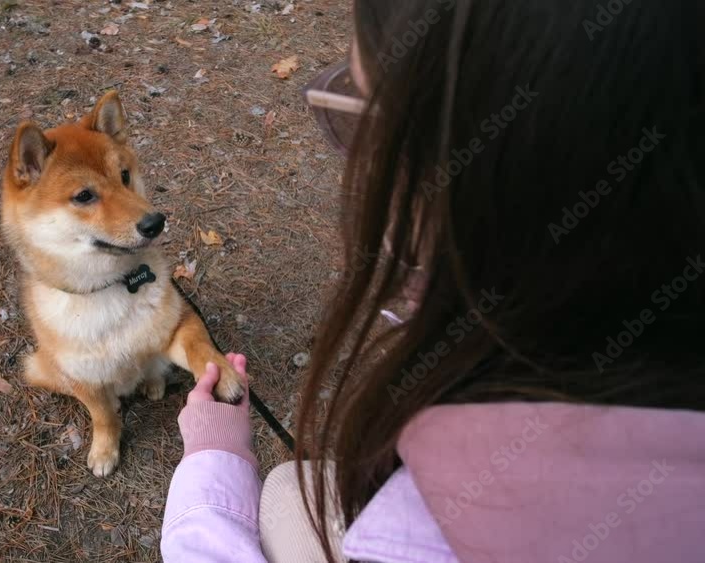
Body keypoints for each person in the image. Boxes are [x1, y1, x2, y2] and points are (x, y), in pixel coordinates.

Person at [161, 1, 705, 562]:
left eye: (364, 124)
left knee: (289, 491)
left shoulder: (452, 522)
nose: (357, 172)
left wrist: (211, 465)